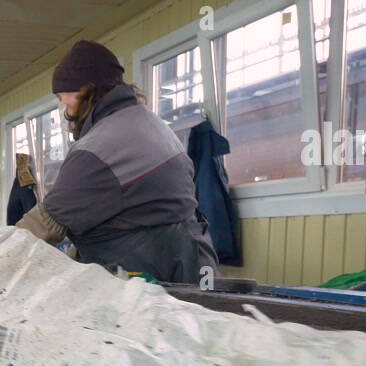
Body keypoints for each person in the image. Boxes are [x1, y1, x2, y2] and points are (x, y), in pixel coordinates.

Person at [16, 40, 217, 283]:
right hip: (192, 264)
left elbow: (46, 224)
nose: (63, 105)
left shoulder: (96, 149)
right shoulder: (151, 123)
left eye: (62, 96)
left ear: (84, 90)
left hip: (148, 278)